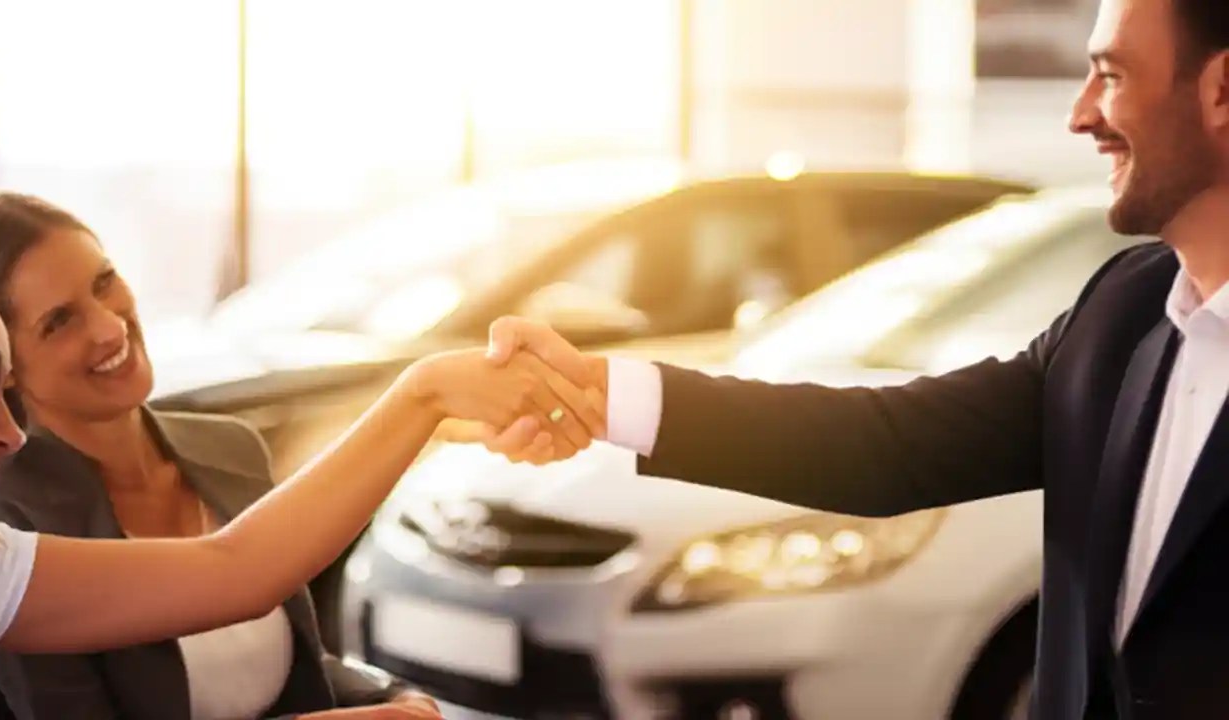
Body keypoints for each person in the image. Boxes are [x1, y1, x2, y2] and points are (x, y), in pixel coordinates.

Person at [482, 0, 1229, 717]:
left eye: (1114, 75)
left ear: (1221, 91)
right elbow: (884, 444)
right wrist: (597, 393)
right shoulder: (1122, 316)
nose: (1082, 114)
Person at [0, 250, 601, 719]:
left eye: (106, 282)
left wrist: (424, 400)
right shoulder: (8, 531)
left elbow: (240, 570)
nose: (7, 432)